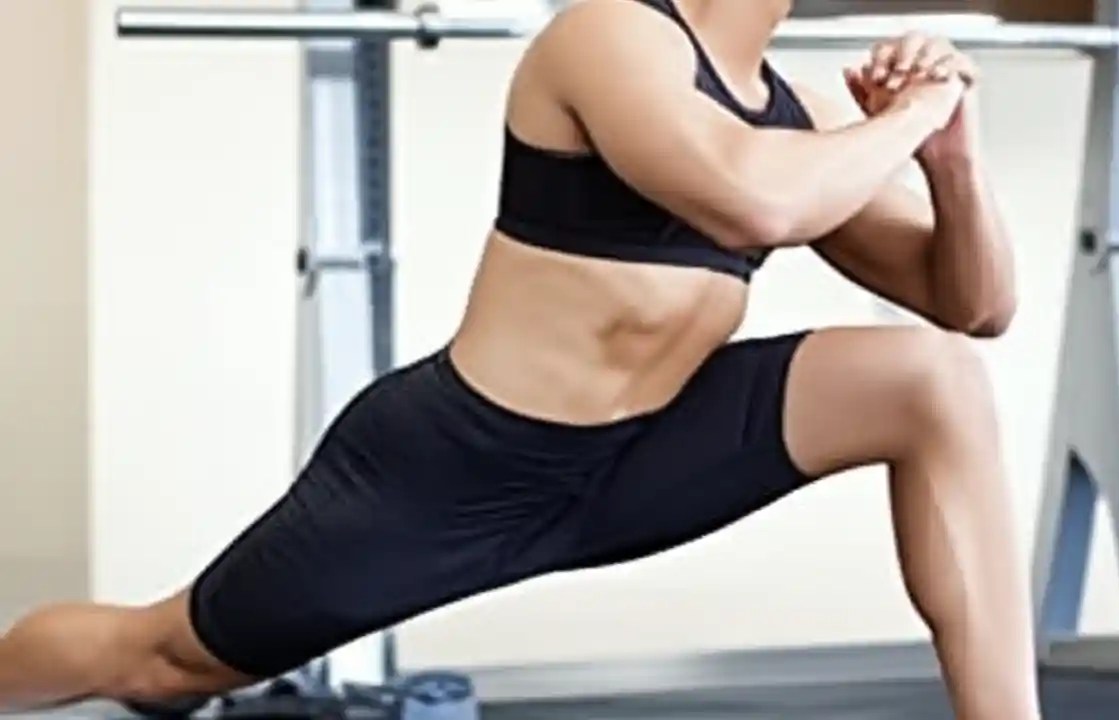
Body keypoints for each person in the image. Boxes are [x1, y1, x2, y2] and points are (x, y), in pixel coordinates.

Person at [0, 0, 1036, 718]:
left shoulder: (793, 114)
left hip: (638, 458)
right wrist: (906, 116)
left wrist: (951, 159)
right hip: (455, 468)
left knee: (930, 381)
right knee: (167, 660)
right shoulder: (610, 39)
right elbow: (752, 199)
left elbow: (974, 305)